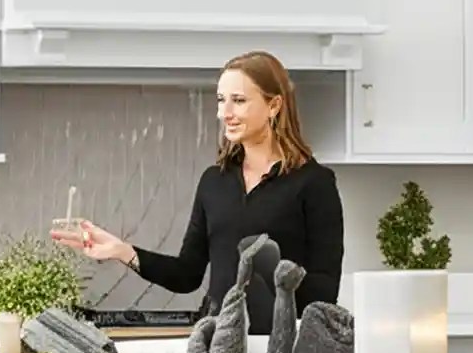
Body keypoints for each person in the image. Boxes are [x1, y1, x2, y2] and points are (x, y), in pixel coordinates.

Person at [51, 50, 345, 335]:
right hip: (216, 348)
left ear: (274, 105)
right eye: (221, 100)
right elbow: (187, 275)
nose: (224, 113)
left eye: (239, 101)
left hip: (281, 352)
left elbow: (325, 292)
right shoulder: (214, 181)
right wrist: (121, 251)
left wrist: (272, 271)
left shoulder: (314, 183)